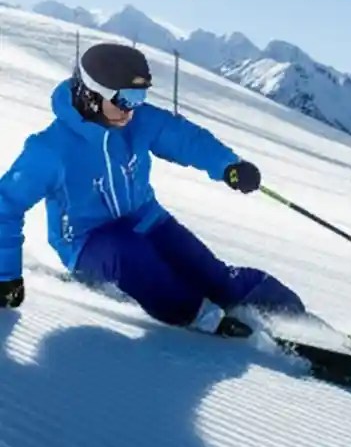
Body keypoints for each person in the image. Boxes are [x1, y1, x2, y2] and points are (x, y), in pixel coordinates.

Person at [0, 41, 306, 337]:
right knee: (133, 256)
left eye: (139, 99)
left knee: (212, 274)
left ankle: (293, 318)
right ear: (92, 95)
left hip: (147, 220)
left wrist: (229, 165)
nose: (131, 111)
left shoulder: (135, 122)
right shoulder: (51, 150)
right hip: (88, 242)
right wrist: (6, 277)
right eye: (125, 100)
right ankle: (197, 315)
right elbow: (7, 206)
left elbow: (182, 137)